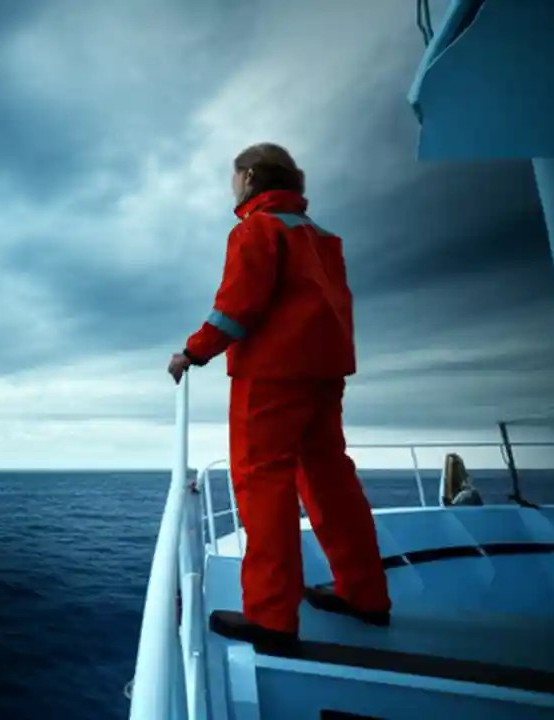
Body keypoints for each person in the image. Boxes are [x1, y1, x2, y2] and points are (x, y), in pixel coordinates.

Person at [167, 143, 392, 648]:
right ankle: (365, 594)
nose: (232, 186)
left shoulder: (257, 229)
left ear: (249, 176)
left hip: (270, 377)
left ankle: (271, 618)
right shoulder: (322, 237)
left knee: (263, 487)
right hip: (324, 374)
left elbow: (236, 308)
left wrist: (193, 352)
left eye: (234, 176)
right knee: (330, 479)